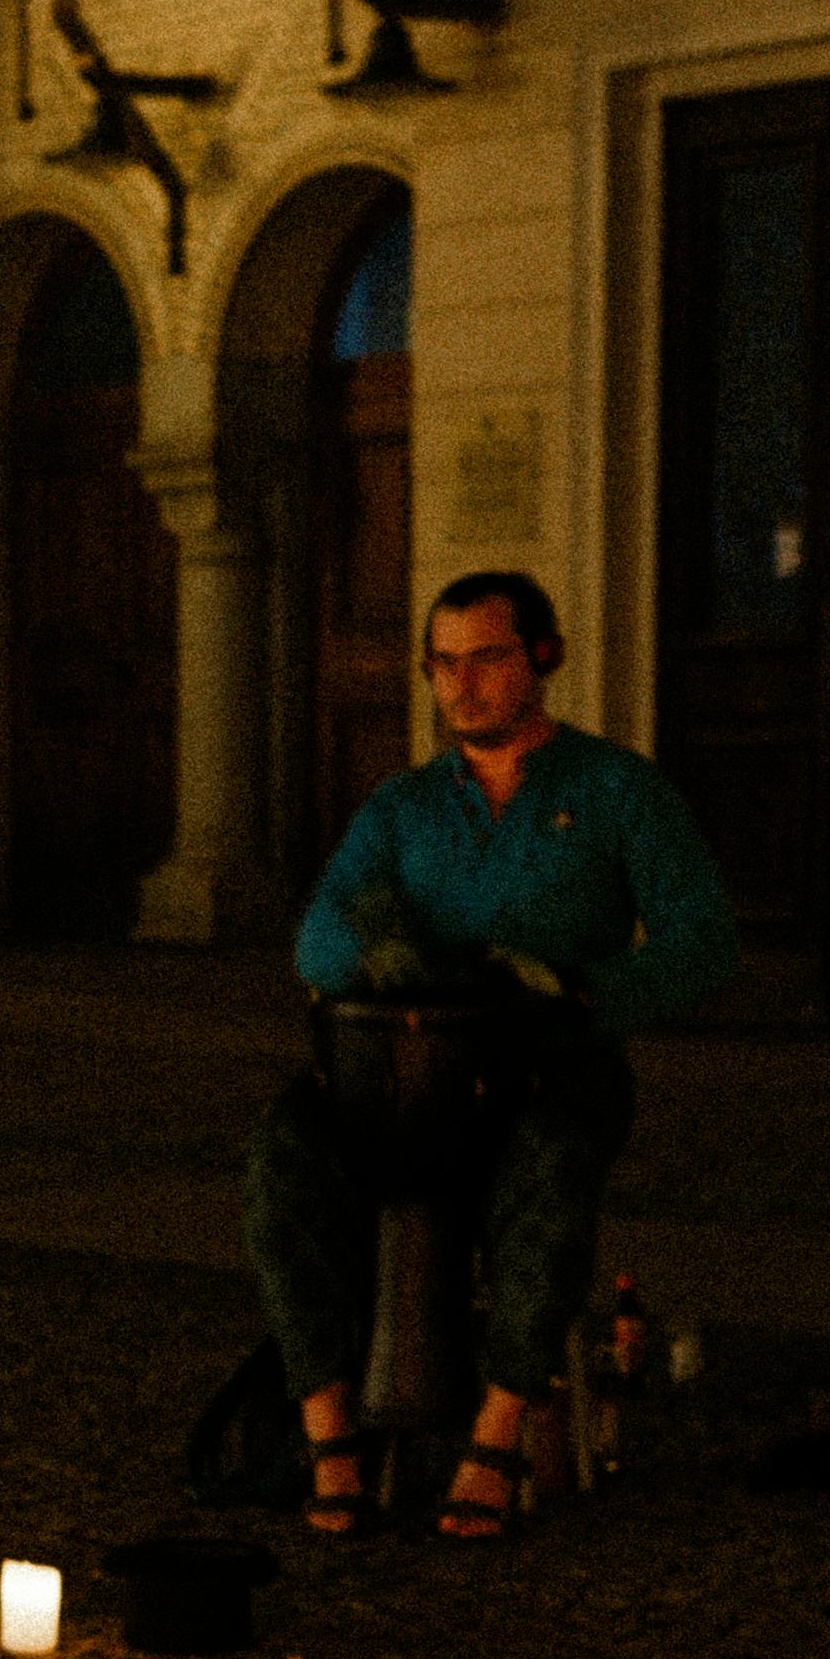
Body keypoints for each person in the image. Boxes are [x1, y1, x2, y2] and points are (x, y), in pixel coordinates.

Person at [245, 569, 740, 1540]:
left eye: (486, 659)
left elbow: (704, 938)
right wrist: (401, 958)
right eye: (443, 663)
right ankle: (329, 1427)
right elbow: (318, 937)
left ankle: (499, 1425)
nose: (461, 684)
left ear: (543, 658)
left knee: (547, 1171)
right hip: (398, 1075)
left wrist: (585, 992)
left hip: (546, 1065)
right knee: (281, 1154)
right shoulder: (403, 807)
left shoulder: (615, 791)